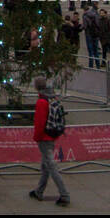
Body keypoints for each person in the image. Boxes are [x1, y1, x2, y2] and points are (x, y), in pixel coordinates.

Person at [28, 77, 70, 206]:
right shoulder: (52, 98)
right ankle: (39, 191)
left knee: (51, 166)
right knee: (45, 165)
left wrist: (37, 137)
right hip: (52, 135)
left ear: (36, 87)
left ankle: (64, 195)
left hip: (44, 138)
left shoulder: (41, 101)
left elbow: (40, 122)